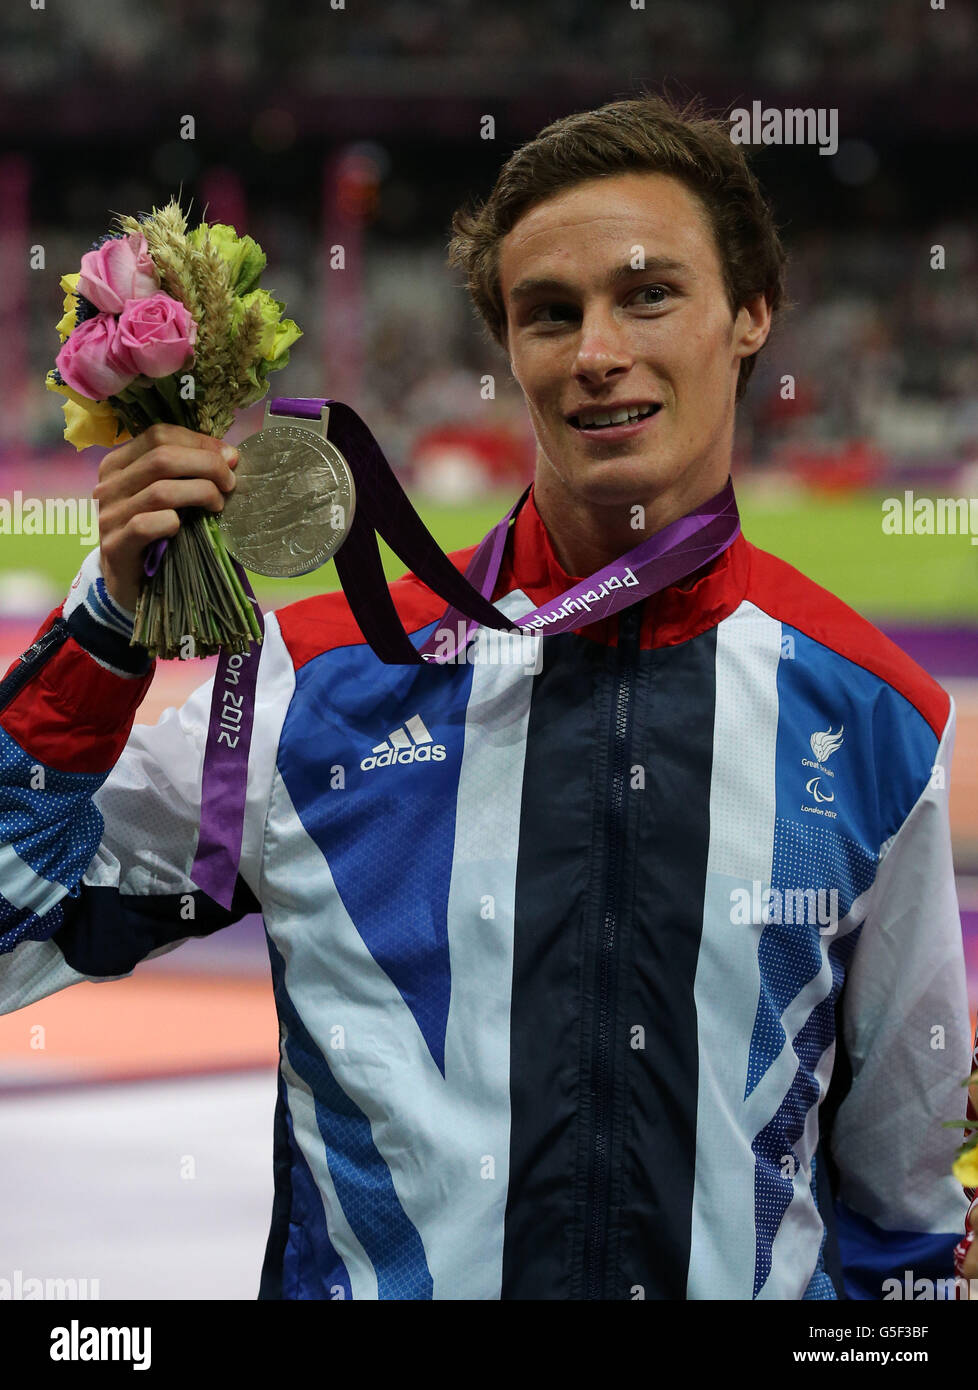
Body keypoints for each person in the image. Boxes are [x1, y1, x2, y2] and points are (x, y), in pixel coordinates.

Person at [1, 93, 975, 1301]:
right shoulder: (312, 688)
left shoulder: (874, 720)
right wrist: (105, 626)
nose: (596, 351)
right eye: (548, 314)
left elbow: (906, 1213)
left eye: (649, 293)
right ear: (508, 345)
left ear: (751, 314)